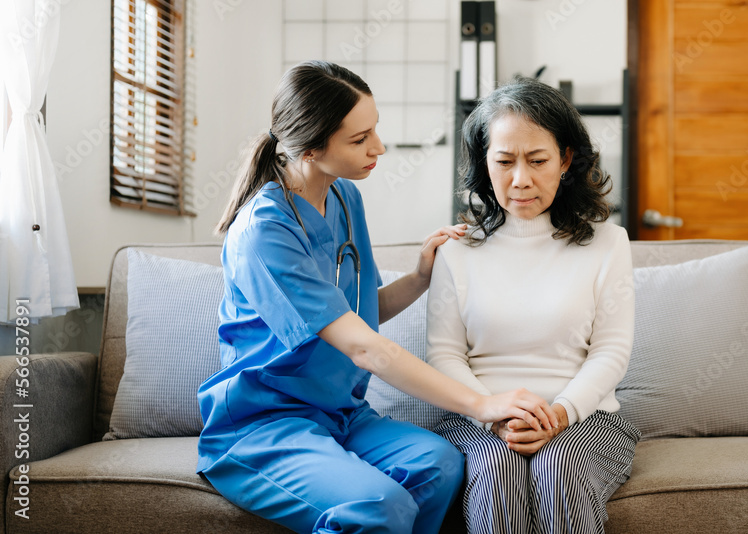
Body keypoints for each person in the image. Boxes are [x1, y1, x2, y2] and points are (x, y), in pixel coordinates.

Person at [196, 61, 558, 534]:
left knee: (440, 465)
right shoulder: (265, 231)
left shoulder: (345, 197)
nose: (379, 147)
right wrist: (481, 404)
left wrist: (419, 277)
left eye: (376, 130)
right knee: (378, 504)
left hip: (340, 414)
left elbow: (353, 315)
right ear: (310, 146)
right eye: (359, 139)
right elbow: (363, 346)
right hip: (262, 427)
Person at [427, 76, 640, 534]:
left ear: (565, 160)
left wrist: (560, 412)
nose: (520, 180)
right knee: (498, 470)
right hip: (479, 417)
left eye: (537, 160)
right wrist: (492, 410)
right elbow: (444, 354)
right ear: (485, 164)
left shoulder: (609, 243)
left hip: (584, 418)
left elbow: (611, 351)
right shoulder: (457, 250)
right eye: (504, 161)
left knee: (558, 468)